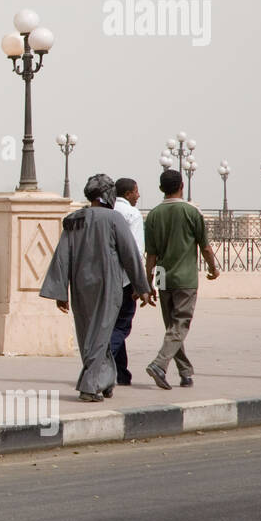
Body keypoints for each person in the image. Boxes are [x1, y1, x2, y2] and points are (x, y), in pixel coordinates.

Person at [40, 174, 154, 402]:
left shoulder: (74, 219)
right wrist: (142, 286)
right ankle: (89, 387)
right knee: (100, 336)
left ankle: (105, 379)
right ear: (106, 194)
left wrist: (61, 292)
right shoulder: (113, 219)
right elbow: (130, 255)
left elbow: (62, 257)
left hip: (80, 287)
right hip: (107, 286)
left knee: (90, 336)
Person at [143, 169, 219, 390]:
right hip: (185, 278)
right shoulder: (191, 212)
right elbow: (204, 246)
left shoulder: (154, 215)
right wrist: (213, 268)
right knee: (179, 326)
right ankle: (159, 364)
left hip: (163, 277)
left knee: (173, 328)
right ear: (182, 186)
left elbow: (151, 256)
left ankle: (185, 372)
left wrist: (148, 283)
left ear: (161, 188)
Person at [109, 177, 145, 384]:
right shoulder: (132, 214)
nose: (138, 195)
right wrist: (138, 284)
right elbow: (136, 253)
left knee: (113, 324)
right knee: (122, 326)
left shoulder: (108, 212)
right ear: (129, 193)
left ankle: (121, 373)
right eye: (137, 191)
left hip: (105, 278)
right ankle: (100, 363)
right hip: (125, 279)